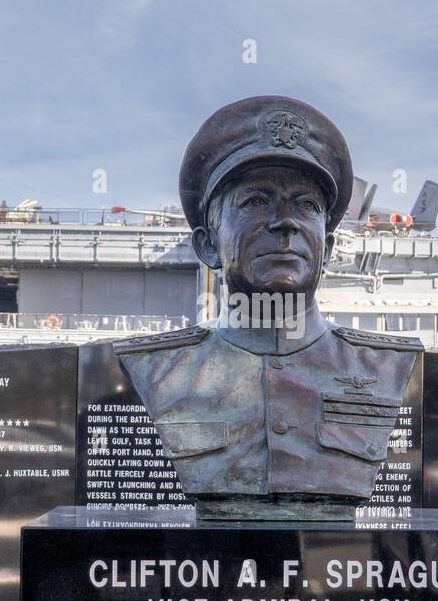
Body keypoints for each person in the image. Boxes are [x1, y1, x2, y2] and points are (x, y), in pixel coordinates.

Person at [113, 96, 421, 520]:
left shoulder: (389, 367)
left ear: (328, 249)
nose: (285, 221)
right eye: (256, 201)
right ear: (207, 244)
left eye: (307, 205)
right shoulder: (156, 368)